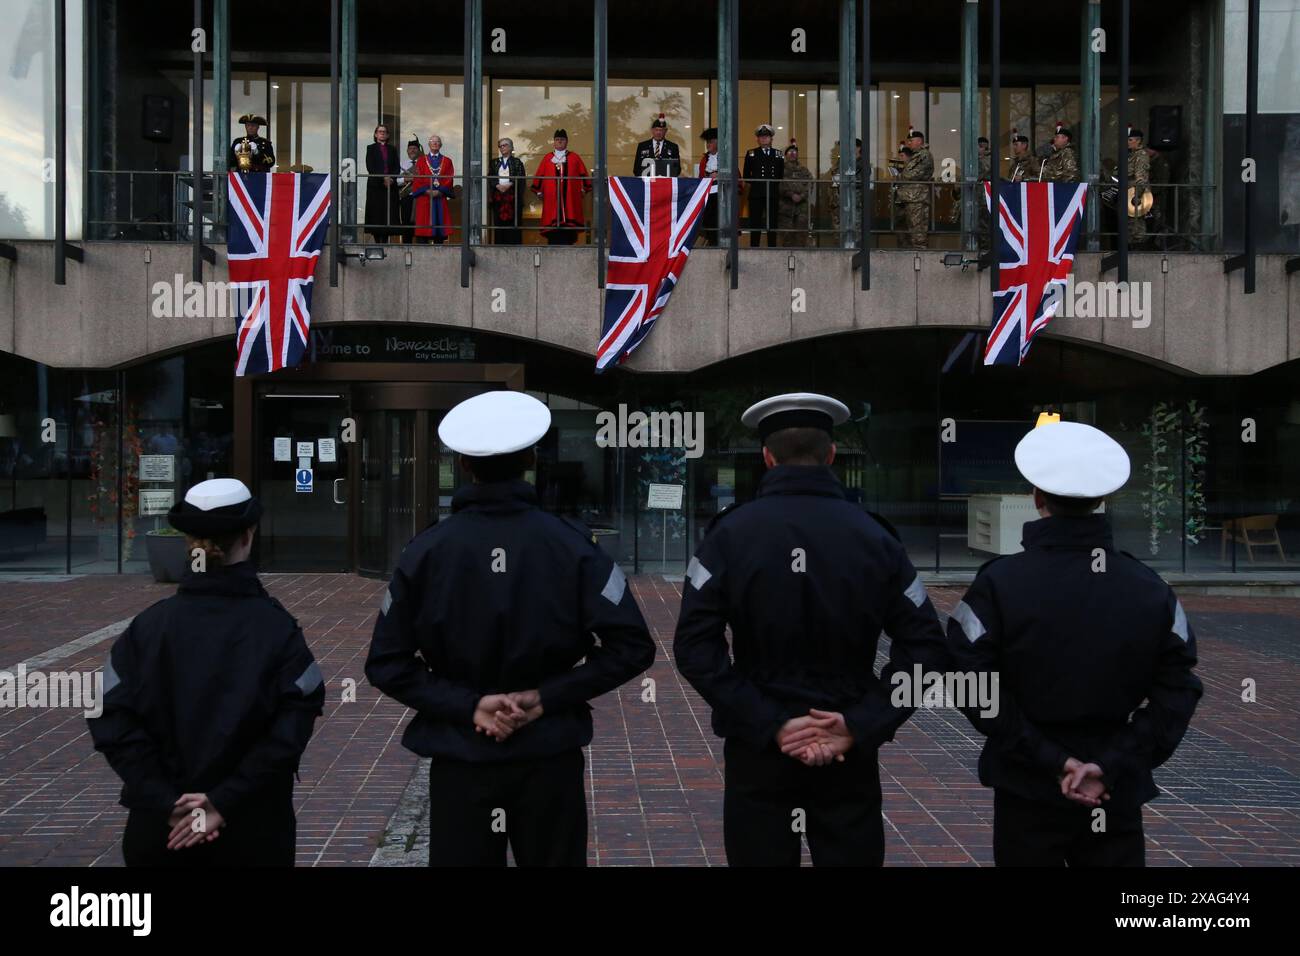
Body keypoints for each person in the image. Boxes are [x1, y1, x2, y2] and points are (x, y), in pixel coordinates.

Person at [366, 391, 655, 867]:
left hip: (463, 757)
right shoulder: (573, 547)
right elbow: (631, 646)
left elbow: (386, 663)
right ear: (532, 460)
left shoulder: (426, 552)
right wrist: (545, 697)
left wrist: (470, 706)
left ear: (461, 464)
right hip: (549, 751)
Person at [673, 393, 950, 867]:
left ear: (767, 457)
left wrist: (771, 722)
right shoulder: (874, 536)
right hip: (846, 746)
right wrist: (860, 724)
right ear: (831, 455)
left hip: (759, 748)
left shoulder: (730, 535)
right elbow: (926, 648)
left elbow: (694, 648)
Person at [946, 419, 1202, 867]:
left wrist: (1052, 759)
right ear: (1104, 499)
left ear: (1037, 498)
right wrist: (1108, 762)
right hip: (1113, 786)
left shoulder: (999, 584)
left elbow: (970, 685)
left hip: (1027, 784)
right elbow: (1177, 689)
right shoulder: (1150, 588)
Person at [88, 479, 324, 867]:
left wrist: (167, 804)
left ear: (187, 541)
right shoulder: (276, 629)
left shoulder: (146, 628)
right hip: (252, 827)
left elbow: (109, 718)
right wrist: (222, 800)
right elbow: (291, 728)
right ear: (249, 535)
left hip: (162, 831)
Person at [531, 129, 592, 246]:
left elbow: (584, 176)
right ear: (553, 142)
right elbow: (539, 176)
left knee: (569, 227)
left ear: (567, 142)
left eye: (562, 140)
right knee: (553, 227)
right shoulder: (547, 158)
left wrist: (583, 189)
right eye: (557, 140)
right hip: (551, 199)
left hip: (570, 199)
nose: (559, 142)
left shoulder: (575, 157)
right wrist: (539, 192)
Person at [742, 123, 784, 247]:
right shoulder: (751, 153)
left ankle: (772, 247)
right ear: (757, 139)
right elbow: (746, 175)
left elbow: (780, 175)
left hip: (772, 193)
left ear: (771, 139)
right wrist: (757, 182)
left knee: (772, 222)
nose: (764, 139)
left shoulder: (778, 154)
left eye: (767, 136)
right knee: (755, 222)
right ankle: (754, 247)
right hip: (756, 193)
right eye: (761, 137)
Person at [410, 134, 455, 245]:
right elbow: (417, 179)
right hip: (425, 198)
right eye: (432, 141)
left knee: (439, 231)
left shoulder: (447, 161)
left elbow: (449, 178)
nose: (435, 143)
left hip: (440, 198)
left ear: (441, 145)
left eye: (437, 141)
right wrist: (427, 191)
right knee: (423, 229)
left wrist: (440, 191)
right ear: (429, 144)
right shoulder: (421, 161)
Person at [895, 127, 933, 249]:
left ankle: (919, 255)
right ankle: (911, 252)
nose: (909, 144)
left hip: (917, 196)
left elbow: (911, 174)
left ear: (919, 141)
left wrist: (901, 173)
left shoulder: (923, 155)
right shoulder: (916, 155)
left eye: (911, 141)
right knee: (910, 226)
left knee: (917, 227)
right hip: (910, 196)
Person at [364, 123, 401, 243]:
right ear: (375, 134)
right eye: (380, 131)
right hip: (376, 185)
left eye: (384, 132)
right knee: (376, 214)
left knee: (388, 214)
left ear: (388, 135)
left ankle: (385, 242)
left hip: (390, 186)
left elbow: (396, 166)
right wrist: (383, 178)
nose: (382, 133)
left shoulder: (392, 149)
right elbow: (370, 166)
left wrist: (391, 178)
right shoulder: (370, 148)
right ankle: (377, 242)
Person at [490, 137, 528, 245]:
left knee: (513, 224)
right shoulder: (494, 162)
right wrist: (497, 185)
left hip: (512, 197)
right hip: (498, 197)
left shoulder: (517, 162)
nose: (502, 148)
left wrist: (510, 184)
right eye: (500, 146)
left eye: (505, 145)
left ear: (511, 147)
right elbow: (491, 176)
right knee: (499, 223)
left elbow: (520, 177)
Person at [777, 141, 813, 247]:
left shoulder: (804, 170)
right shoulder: (780, 169)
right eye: (790, 152)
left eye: (795, 151)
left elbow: (810, 185)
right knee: (786, 236)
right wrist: (790, 194)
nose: (793, 153)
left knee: (801, 235)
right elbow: (777, 185)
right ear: (786, 154)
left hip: (801, 208)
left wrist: (801, 196)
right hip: (785, 208)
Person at [632, 113, 681, 177]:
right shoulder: (643, 146)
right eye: (656, 130)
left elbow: (677, 169)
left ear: (665, 131)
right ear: (652, 130)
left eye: (661, 130)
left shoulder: (673, 147)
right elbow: (636, 169)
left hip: (665, 183)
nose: (658, 132)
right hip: (647, 184)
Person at [1126, 127, 1151, 248]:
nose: (1128, 142)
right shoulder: (1131, 155)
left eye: (1130, 139)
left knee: (1136, 226)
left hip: (1136, 196)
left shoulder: (1141, 155)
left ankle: (1139, 249)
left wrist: (1137, 196)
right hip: (1129, 194)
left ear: (1138, 140)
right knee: (1129, 226)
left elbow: (1141, 178)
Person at [397, 136, 423, 244]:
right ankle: (406, 246)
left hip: (421, 197)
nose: (412, 150)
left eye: (415, 148)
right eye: (410, 148)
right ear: (407, 151)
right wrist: (406, 178)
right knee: (406, 223)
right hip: (406, 197)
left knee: (420, 224)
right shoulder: (401, 164)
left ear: (418, 150)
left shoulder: (423, 163)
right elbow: (396, 180)